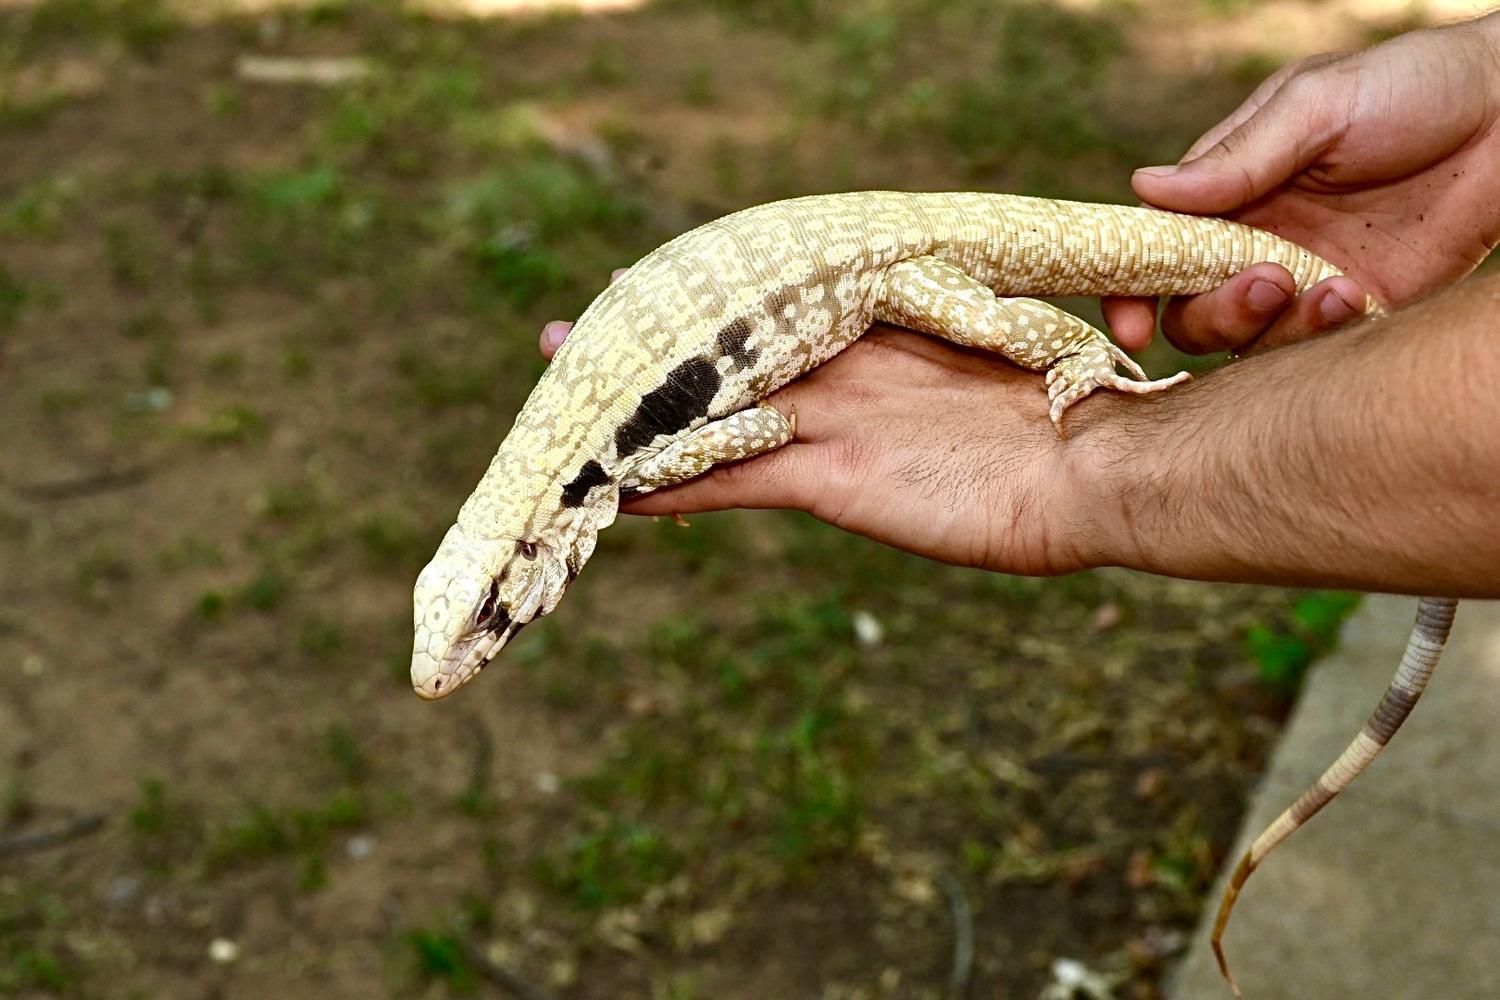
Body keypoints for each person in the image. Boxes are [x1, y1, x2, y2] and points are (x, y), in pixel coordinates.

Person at [539, 12, 1500, 599]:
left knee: (1016, 328)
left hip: (882, 251)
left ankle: (1076, 354)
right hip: (853, 241)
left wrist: (1117, 464)